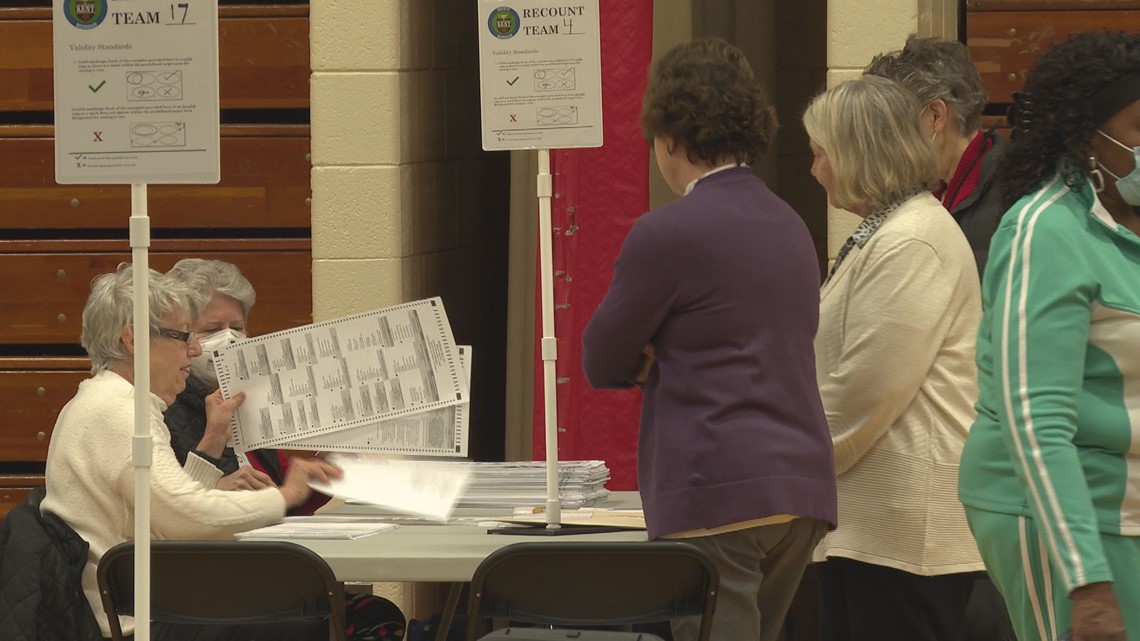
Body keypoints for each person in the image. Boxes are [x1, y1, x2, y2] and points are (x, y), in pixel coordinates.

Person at [582, 38, 837, 641]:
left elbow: (601, 357)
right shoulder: (791, 222)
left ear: (669, 139)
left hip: (716, 489)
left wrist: (659, 359)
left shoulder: (667, 233)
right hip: (799, 489)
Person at [39, 264, 341, 640]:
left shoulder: (108, 400)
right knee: (323, 619)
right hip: (142, 622)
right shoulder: (120, 412)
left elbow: (164, 518)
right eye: (184, 336)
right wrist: (286, 495)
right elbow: (187, 518)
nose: (195, 349)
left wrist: (208, 479)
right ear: (133, 341)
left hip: (148, 605)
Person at [958, 31, 1140, 641]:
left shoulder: (1129, 229)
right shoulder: (1045, 230)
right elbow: (1034, 419)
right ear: (1090, 137)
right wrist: (1084, 579)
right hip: (1054, 516)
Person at [803, 75, 984, 641]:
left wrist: (790, 471)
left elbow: (866, 390)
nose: (814, 170)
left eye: (820, 154)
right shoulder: (885, 231)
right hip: (873, 526)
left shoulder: (912, 240)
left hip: (907, 535)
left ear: (858, 154)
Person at [164, 258, 407, 640]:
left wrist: (325, 469)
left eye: (238, 328)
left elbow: (280, 496)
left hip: (264, 576)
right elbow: (180, 513)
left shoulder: (243, 402)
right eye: (213, 329)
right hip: (213, 593)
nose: (229, 339)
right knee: (366, 619)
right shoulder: (167, 410)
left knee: (378, 614)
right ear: (184, 339)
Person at [865, 35, 1016, 641]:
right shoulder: (916, 198)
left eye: (890, 121)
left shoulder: (1015, 195)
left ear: (934, 118)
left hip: (991, 453)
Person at [865, 35, 1005, 277]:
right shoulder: (935, 186)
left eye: (893, 124)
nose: (885, 140)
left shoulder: (1003, 198)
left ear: (935, 116)